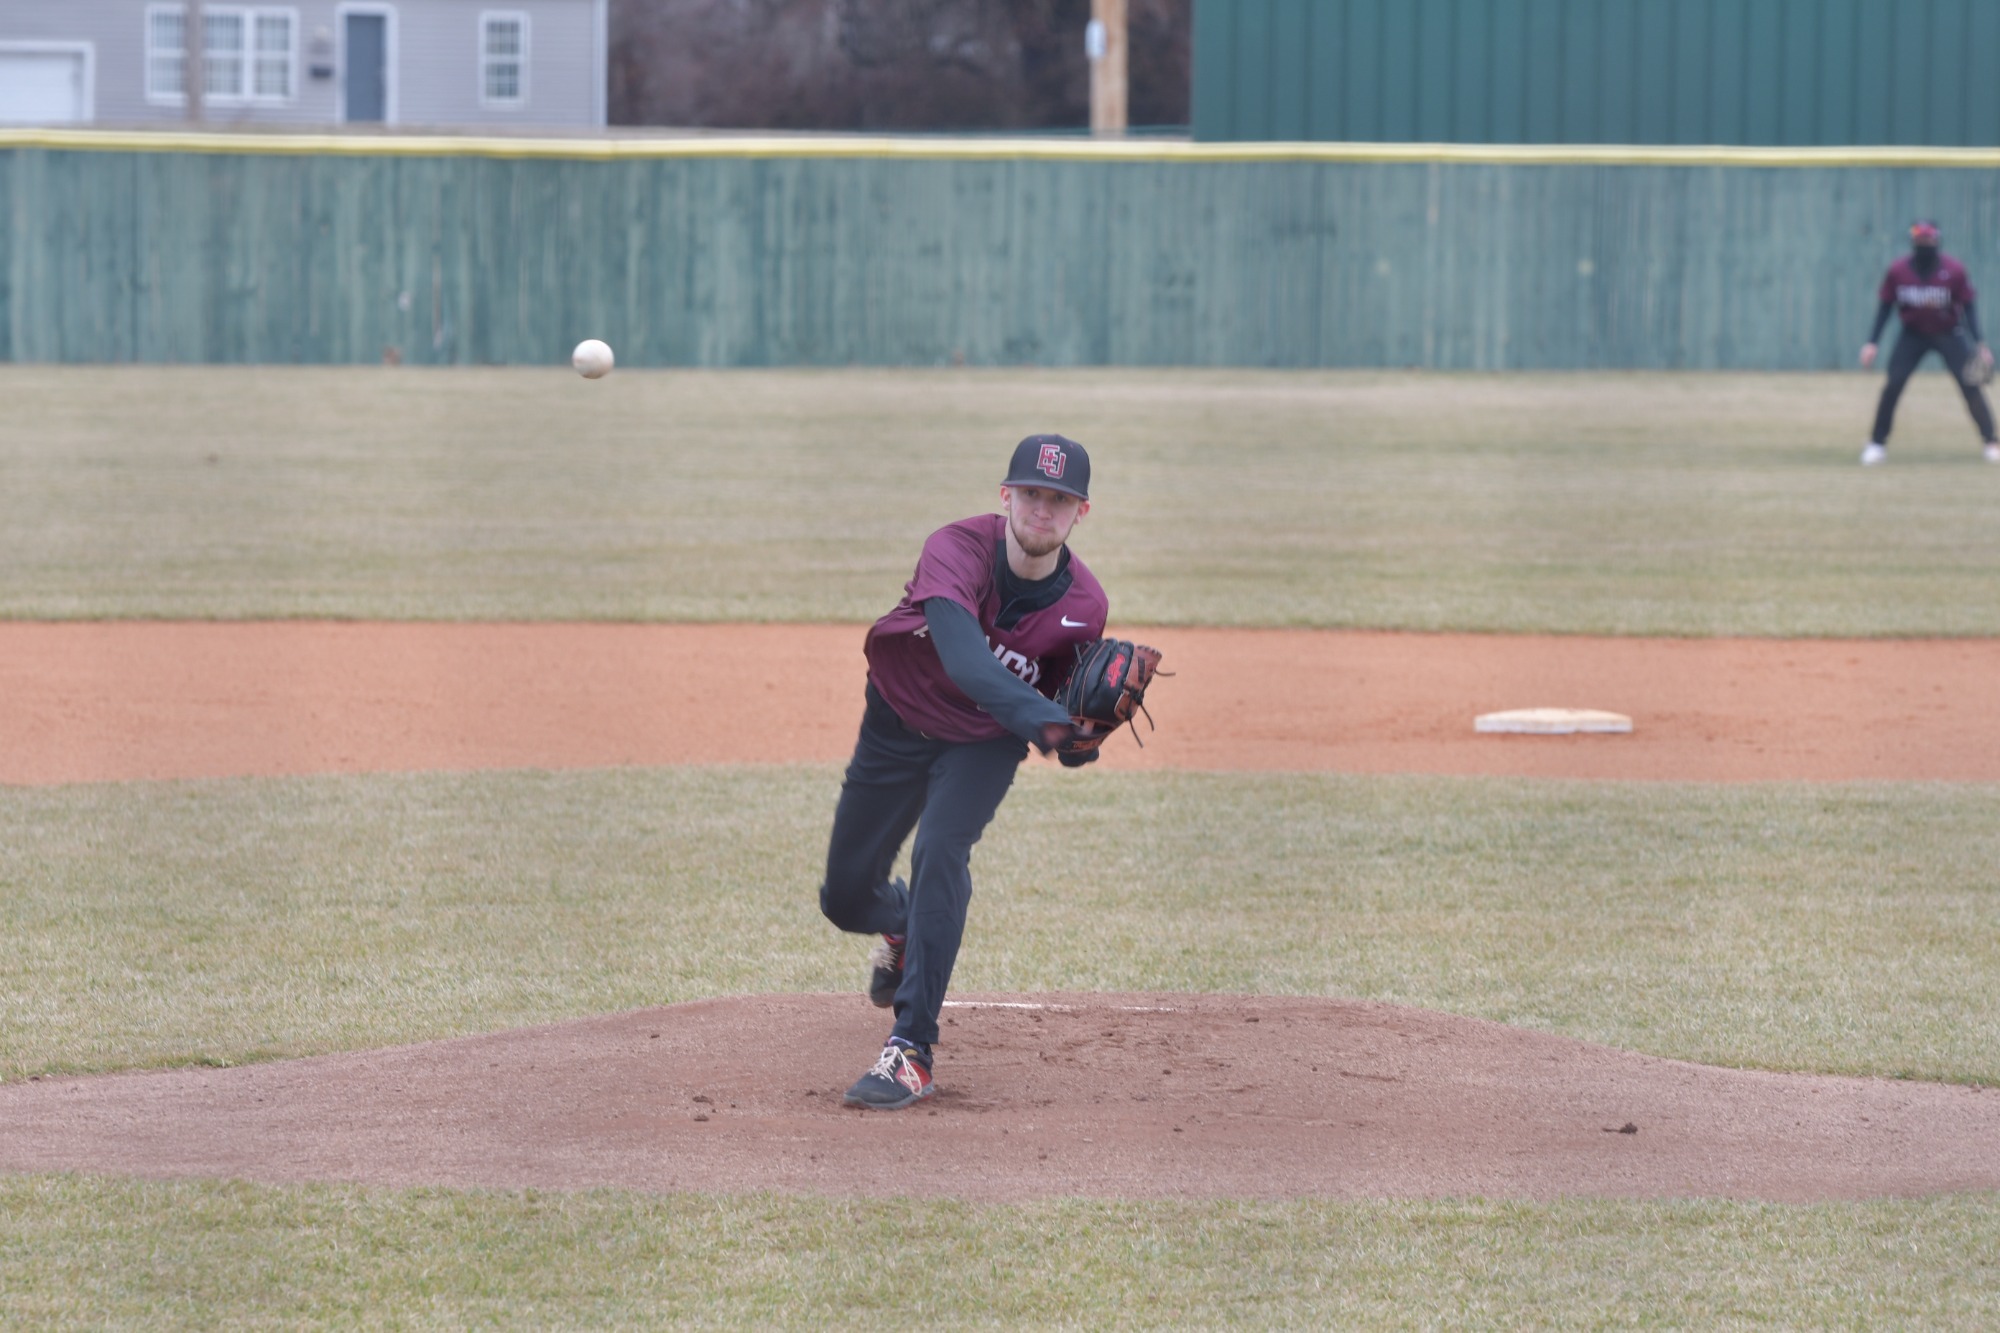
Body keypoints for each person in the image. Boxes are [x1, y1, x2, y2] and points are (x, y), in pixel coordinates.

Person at [818, 433, 1108, 1110]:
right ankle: (899, 921)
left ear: (1080, 513)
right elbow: (964, 660)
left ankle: (911, 1048)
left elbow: (1066, 724)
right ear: (1006, 496)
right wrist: (1049, 722)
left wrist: (1080, 739)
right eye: (1032, 493)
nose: (1042, 510)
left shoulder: (1086, 607)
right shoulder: (954, 548)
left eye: (1059, 500)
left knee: (941, 850)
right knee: (843, 898)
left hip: (983, 742)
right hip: (897, 722)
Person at [1858, 219, 2000, 465]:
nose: (1924, 243)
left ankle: (1992, 442)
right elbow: (1885, 308)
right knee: (1893, 385)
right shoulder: (1898, 271)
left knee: (1971, 384)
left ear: (1937, 240)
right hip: (1912, 334)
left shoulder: (1954, 271)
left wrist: (1980, 343)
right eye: (1919, 238)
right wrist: (1872, 342)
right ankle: (1876, 443)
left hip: (1949, 332)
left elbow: (1969, 308)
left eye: (1929, 238)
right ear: (1913, 241)